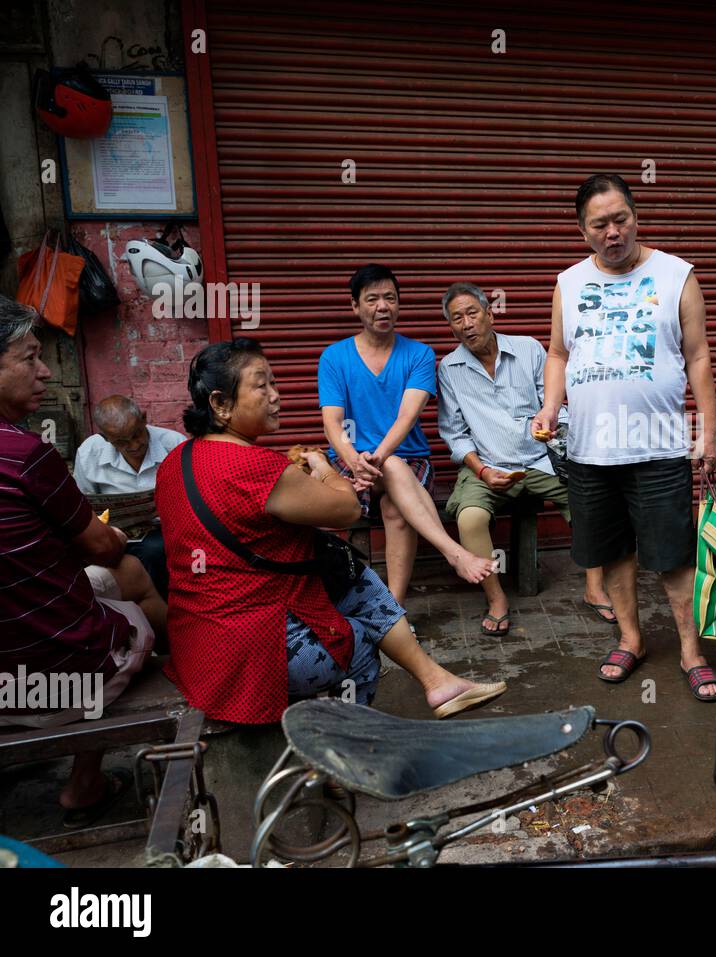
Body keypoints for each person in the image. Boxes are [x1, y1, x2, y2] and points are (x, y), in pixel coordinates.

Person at [155, 338, 506, 725]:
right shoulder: (254, 468)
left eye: (274, 382)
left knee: (349, 576)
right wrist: (323, 467)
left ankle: (436, 680)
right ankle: (342, 757)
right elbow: (347, 510)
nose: (276, 395)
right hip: (252, 656)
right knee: (358, 638)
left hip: (195, 643)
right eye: (261, 385)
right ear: (220, 404)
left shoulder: (175, 461)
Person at [533, 174, 716, 701]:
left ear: (635, 216)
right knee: (612, 550)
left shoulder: (676, 275)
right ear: (582, 230)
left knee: (672, 554)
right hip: (591, 448)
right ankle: (631, 638)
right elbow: (557, 354)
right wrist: (550, 406)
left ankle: (691, 650)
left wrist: (706, 429)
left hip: (658, 442)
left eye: (622, 219)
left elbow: (699, 355)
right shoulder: (568, 282)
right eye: (600, 224)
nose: (613, 232)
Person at [0, 295, 165, 826]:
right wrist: (108, 534)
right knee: (130, 607)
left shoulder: (169, 444)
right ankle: (85, 782)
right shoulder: (27, 456)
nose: (46, 371)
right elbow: (100, 545)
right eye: (29, 357)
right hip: (48, 679)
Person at [436, 282, 614, 635]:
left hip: (539, 459)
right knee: (470, 519)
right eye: (457, 319)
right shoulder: (450, 369)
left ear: (489, 313)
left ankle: (595, 588)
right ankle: (496, 599)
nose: (467, 324)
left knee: (588, 501)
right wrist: (482, 471)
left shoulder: (529, 349)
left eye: (473, 313)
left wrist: (550, 426)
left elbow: (553, 405)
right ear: (452, 327)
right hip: (487, 464)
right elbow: (454, 434)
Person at [319, 264, 495, 603]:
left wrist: (376, 459)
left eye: (390, 298)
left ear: (399, 304)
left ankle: (393, 607)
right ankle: (452, 553)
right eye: (372, 299)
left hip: (407, 459)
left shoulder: (419, 354)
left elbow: (407, 416)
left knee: (395, 496)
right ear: (355, 306)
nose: (382, 306)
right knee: (392, 476)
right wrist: (354, 461)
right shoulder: (334, 358)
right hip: (349, 462)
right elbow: (333, 422)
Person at [74, 394, 185, 600]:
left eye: (137, 434)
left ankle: (164, 612)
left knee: (154, 550)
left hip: (164, 530)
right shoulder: (89, 452)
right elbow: (83, 503)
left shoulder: (174, 444)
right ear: (106, 439)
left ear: (143, 419)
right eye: (121, 442)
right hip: (113, 532)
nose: (134, 445)